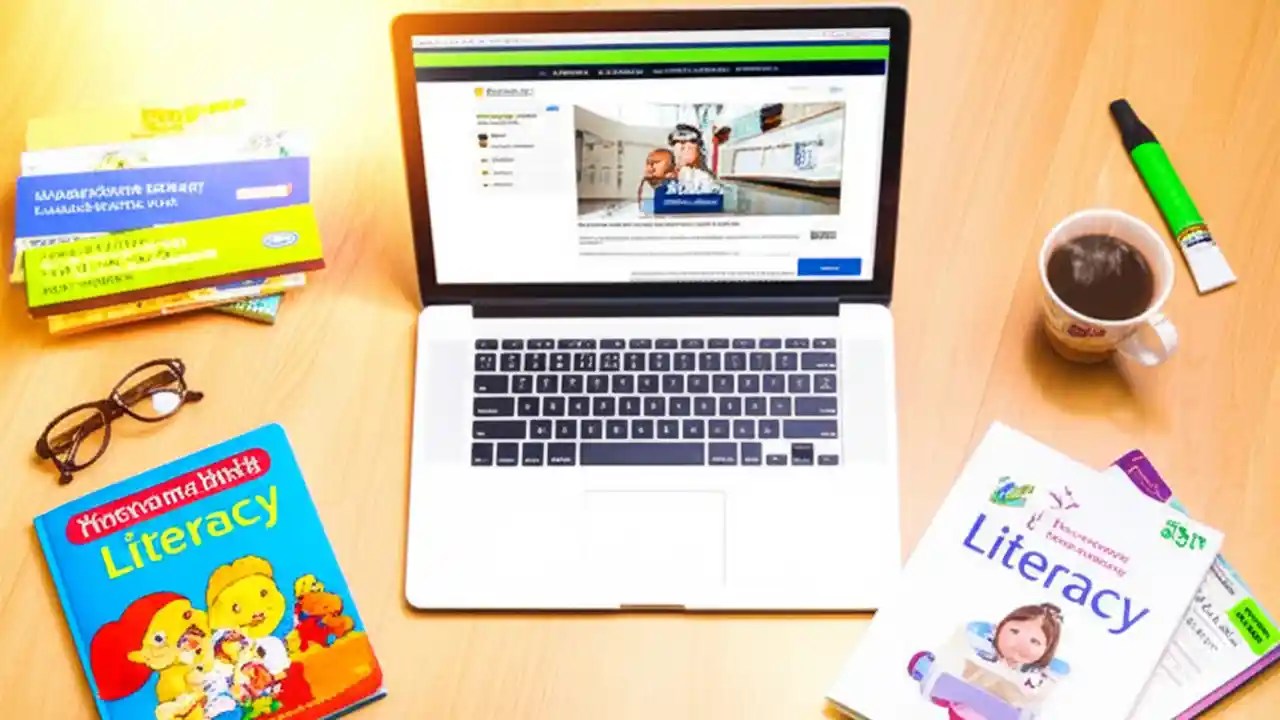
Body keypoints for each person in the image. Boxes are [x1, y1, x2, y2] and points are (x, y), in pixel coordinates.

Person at [937, 604, 1064, 720]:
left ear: (1047, 652)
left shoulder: (1038, 680)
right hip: (962, 713)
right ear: (999, 629)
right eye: (1014, 631)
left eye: (1035, 641)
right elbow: (949, 682)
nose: (1021, 644)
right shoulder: (980, 653)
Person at [666, 123, 722, 195]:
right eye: (676, 143)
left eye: (692, 141)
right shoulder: (668, 180)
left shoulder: (705, 179)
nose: (683, 147)